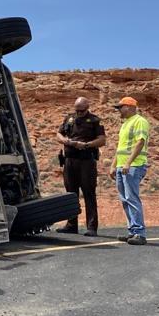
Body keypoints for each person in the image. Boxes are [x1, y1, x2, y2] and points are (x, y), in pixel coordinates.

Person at [55, 97, 106, 236]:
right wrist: (67, 141)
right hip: (70, 160)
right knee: (71, 193)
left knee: (88, 193)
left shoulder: (95, 120)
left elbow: (102, 140)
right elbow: (59, 134)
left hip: (86, 161)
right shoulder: (69, 118)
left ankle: (91, 227)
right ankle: (71, 225)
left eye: (81, 111)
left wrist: (87, 145)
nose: (79, 113)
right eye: (76, 110)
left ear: (87, 108)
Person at [109, 97, 151, 245]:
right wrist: (114, 165)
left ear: (129, 107)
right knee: (125, 200)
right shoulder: (125, 124)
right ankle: (132, 231)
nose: (118, 110)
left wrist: (128, 163)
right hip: (122, 167)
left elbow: (140, 142)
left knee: (132, 198)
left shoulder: (140, 121)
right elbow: (121, 148)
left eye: (120, 107)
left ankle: (140, 233)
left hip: (133, 166)